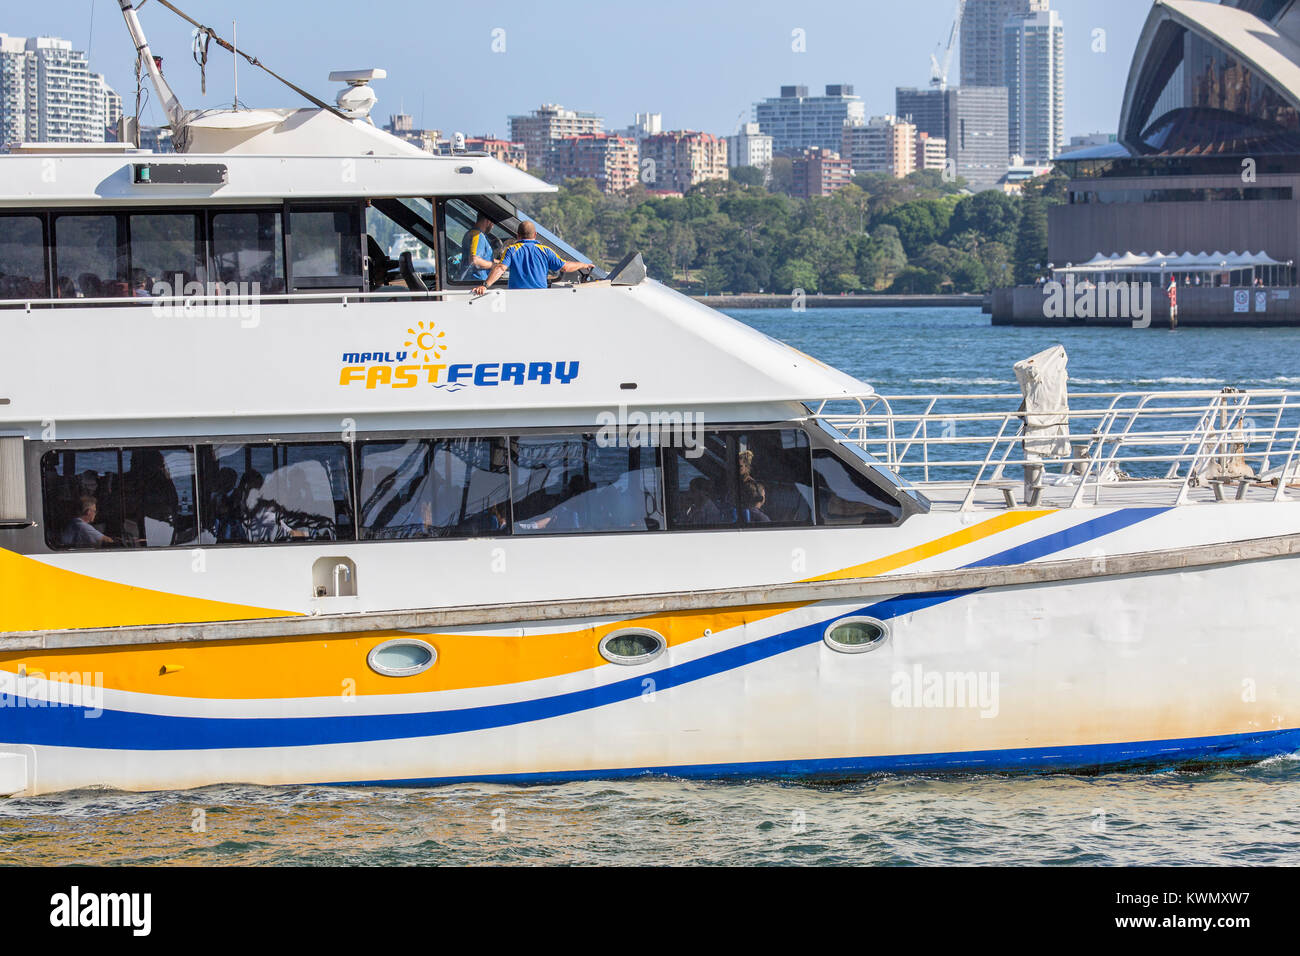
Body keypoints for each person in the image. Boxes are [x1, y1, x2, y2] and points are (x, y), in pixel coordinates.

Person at [473, 221, 593, 294]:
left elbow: (500, 268)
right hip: (540, 297)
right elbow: (565, 267)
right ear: (535, 235)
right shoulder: (546, 250)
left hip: (516, 297)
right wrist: (583, 265)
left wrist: (485, 286)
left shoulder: (512, 250)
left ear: (517, 235)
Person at [460, 214, 498, 283]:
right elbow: (475, 260)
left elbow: (483, 257)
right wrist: (495, 266)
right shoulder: (477, 235)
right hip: (476, 283)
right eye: (492, 223)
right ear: (488, 221)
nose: (493, 226)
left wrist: (500, 263)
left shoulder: (472, 233)